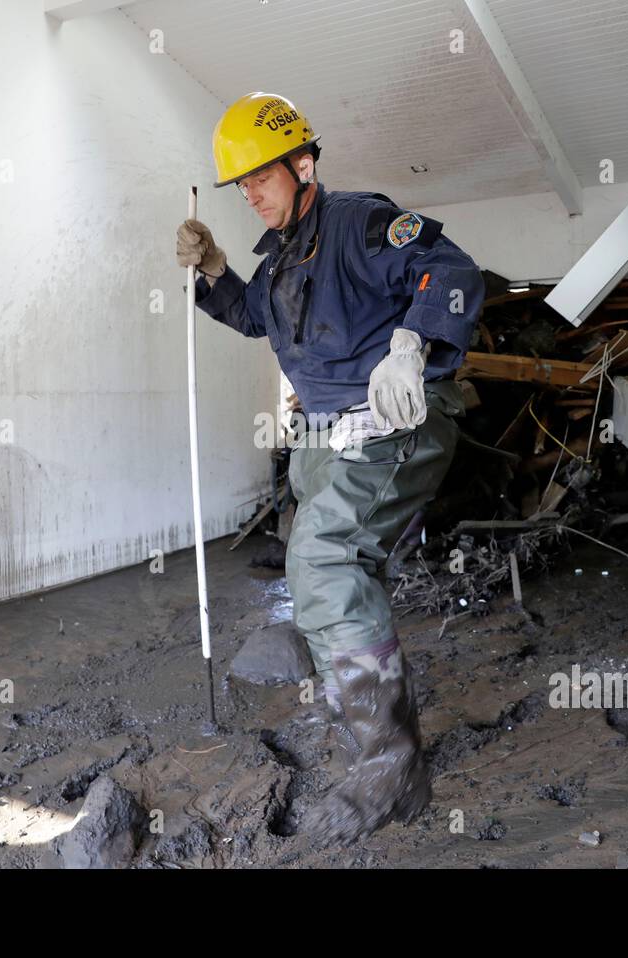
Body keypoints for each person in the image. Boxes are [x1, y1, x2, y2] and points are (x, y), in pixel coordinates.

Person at [175, 92, 484, 842]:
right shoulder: (279, 255)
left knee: (322, 557)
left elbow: (450, 269)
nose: (249, 195)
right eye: (240, 186)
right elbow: (257, 318)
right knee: (346, 569)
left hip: (389, 422)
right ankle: (355, 713)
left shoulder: (357, 221)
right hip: (321, 435)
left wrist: (412, 344)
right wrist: (215, 268)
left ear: (302, 163)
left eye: (259, 178)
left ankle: (390, 766)